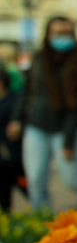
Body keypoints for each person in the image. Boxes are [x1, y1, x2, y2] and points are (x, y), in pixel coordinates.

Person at [8, 16, 77, 210]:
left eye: (67, 33)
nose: (62, 38)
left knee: (72, 180)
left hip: (65, 129)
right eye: (58, 33)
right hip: (37, 127)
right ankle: (47, 228)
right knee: (36, 182)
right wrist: (17, 119)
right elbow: (27, 91)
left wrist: (68, 142)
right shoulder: (39, 59)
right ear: (48, 35)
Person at [0, 68, 22, 212]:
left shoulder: (15, 100)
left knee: (30, 189)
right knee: (4, 197)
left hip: (16, 159)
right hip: (2, 161)